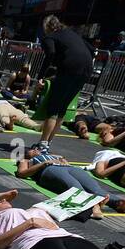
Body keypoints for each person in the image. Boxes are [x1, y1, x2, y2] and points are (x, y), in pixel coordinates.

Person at [15, 142, 125, 217]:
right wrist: (44, 164)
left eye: (37, 149)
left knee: (94, 187)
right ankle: (93, 207)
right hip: (49, 170)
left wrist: (63, 160)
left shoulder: (51, 155)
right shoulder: (27, 161)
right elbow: (22, 173)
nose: (36, 150)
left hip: (68, 168)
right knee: (75, 187)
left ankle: (118, 203)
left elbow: (65, 161)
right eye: (32, 150)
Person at [37, 15, 92, 151]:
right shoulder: (72, 34)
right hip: (86, 69)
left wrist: (41, 76)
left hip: (70, 68)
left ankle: (43, 143)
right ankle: (48, 143)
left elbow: (50, 53)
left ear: (47, 27)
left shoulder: (50, 37)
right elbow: (92, 50)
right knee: (63, 107)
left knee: (54, 107)